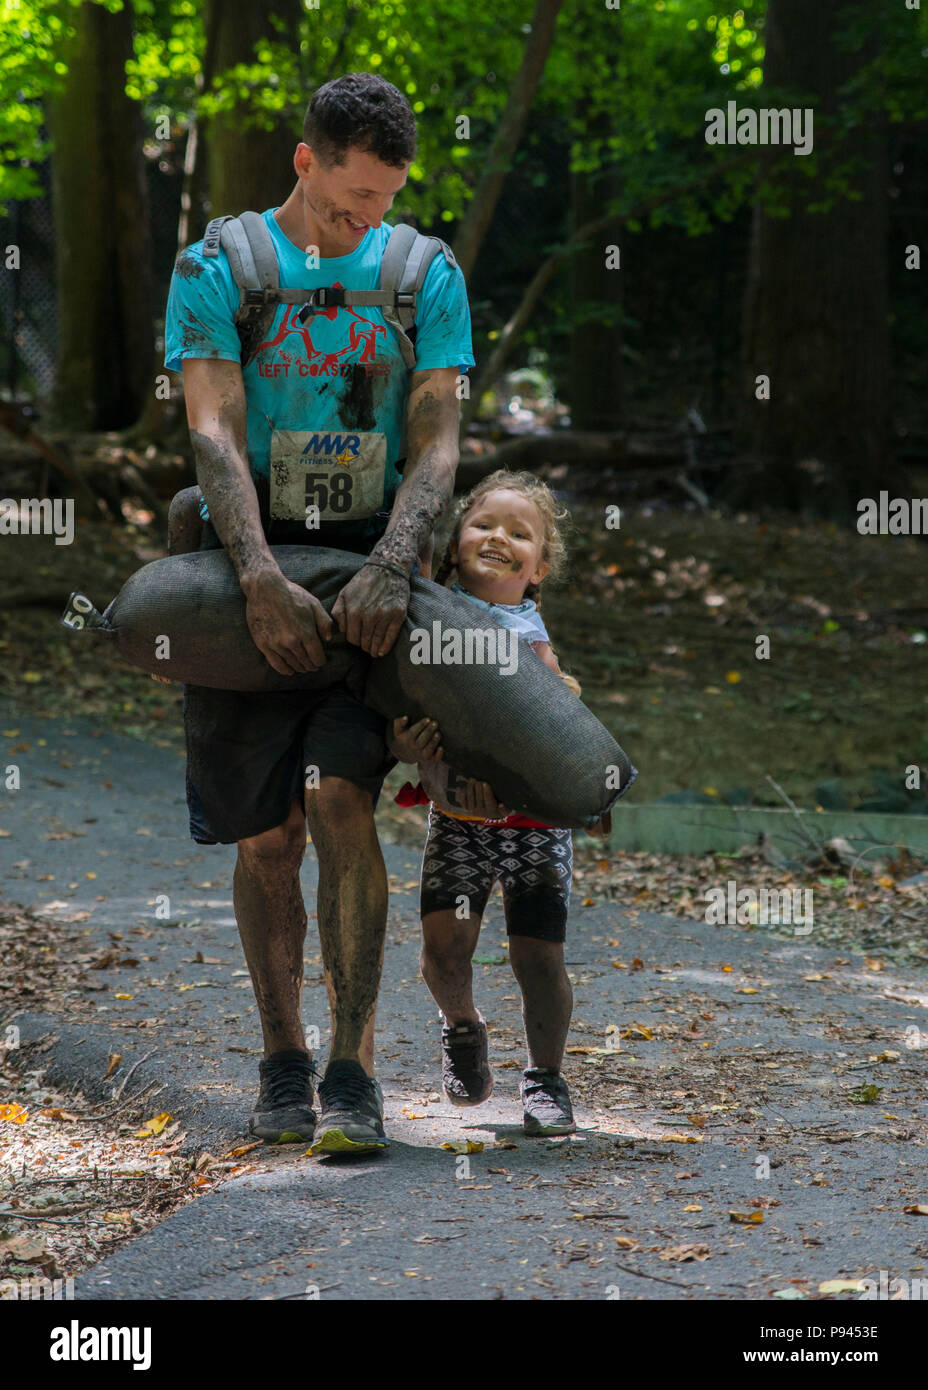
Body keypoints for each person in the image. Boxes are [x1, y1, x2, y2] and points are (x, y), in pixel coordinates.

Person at [162, 72, 475, 1155]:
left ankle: (353, 1067)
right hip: (245, 562)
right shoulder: (219, 268)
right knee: (266, 835)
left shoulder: (425, 273)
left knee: (341, 799)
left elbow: (437, 436)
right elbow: (210, 430)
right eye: (350, 200)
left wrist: (395, 562)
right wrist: (253, 576)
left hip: (371, 578)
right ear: (305, 162)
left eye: (384, 200)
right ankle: (281, 1059)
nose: (366, 220)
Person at [388, 469, 595, 1137]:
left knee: (538, 957)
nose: (499, 537)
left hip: (534, 824)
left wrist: (562, 690)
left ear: (537, 568)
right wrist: (408, 741)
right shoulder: (427, 617)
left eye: (519, 532)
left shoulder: (529, 633)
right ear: (454, 544)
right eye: (483, 524)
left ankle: (545, 1078)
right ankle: (461, 1025)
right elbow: (406, 705)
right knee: (445, 949)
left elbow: (554, 714)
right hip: (458, 823)